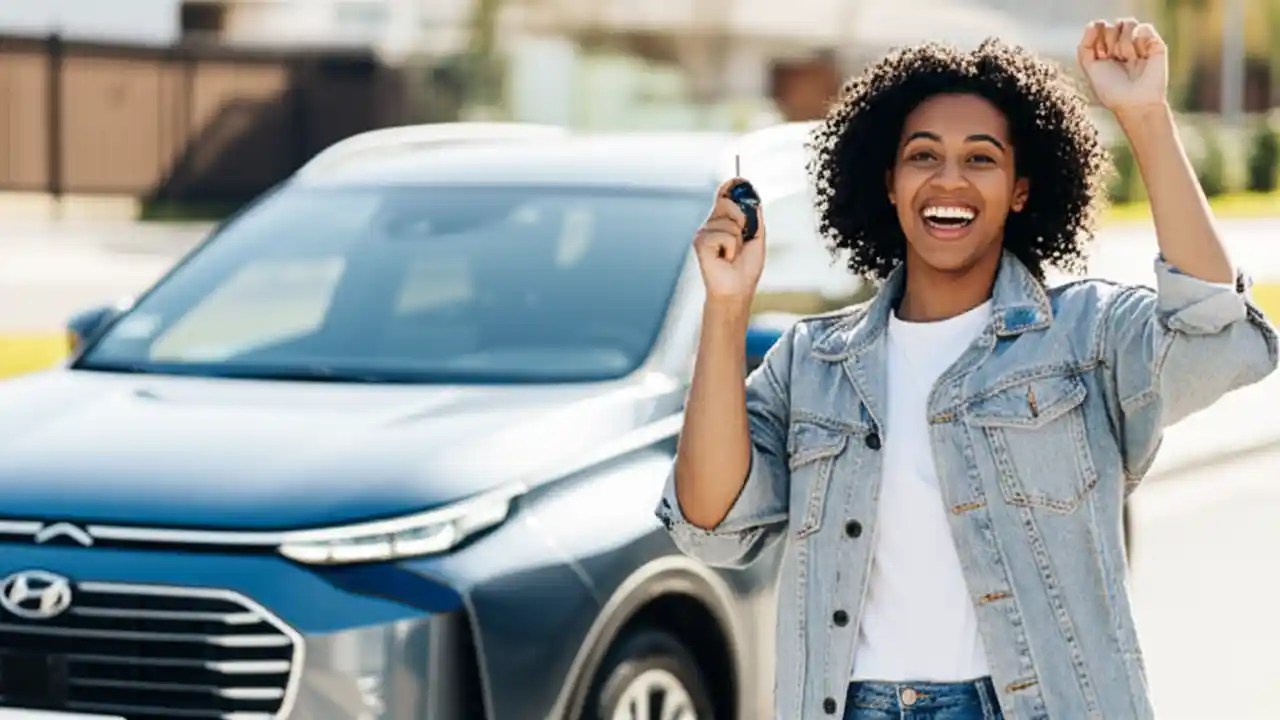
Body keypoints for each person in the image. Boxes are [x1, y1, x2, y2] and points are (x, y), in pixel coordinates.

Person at [654, 18, 1277, 720]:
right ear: (889, 183)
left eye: (980, 159)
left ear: (1019, 188)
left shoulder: (1084, 336)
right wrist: (727, 307)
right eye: (923, 156)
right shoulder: (815, 364)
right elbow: (710, 521)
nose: (949, 180)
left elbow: (1220, 338)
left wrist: (1144, 115)